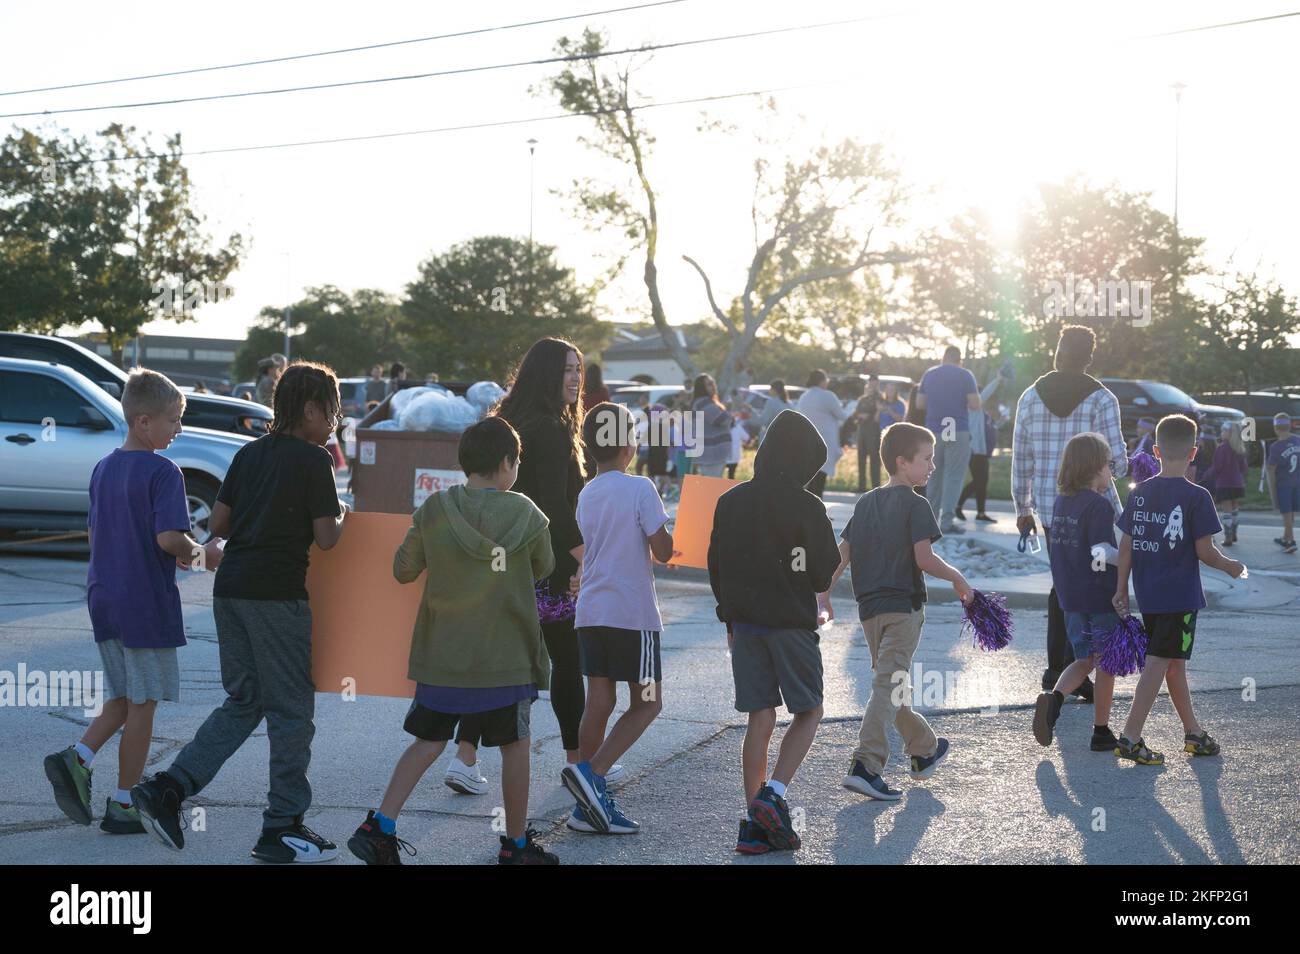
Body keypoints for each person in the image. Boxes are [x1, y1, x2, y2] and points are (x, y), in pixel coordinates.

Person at [132, 361, 348, 862]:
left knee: (245, 701)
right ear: (312, 409)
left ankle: (168, 788)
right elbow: (327, 538)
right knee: (292, 713)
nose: (335, 421)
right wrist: (340, 513)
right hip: (277, 596)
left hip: (230, 589)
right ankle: (282, 828)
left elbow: (221, 522)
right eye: (332, 410)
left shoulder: (249, 454)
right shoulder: (315, 461)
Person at [346, 417, 559, 865]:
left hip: (444, 653)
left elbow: (403, 570)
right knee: (515, 746)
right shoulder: (529, 516)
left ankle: (379, 826)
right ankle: (516, 845)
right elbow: (542, 568)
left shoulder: (435, 509)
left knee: (427, 741)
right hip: (507, 657)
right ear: (507, 463)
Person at [44, 370, 219, 836]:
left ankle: (79, 757)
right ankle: (123, 803)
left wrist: (167, 551)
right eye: (174, 420)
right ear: (144, 422)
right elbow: (168, 538)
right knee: (144, 704)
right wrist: (205, 554)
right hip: (145, 604)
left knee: (123, 696)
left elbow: (97, 532)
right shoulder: (164, 471)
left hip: (104, 596)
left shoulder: (104, 467)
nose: (178, 430)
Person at [450, 339, 606, 788]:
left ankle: (464, 757)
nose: (576, 378)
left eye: (578, 369)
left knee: (497, 661)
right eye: (566, 370)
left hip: (498, 561)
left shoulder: (505, 421)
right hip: (545, 564)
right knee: (566, 659)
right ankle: (579, 762)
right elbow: (556, 508)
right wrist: (583, 559)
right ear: (544, 374)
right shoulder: (552, 431)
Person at [708, 409, 839, 854]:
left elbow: (717, 566)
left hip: (743, 624)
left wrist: (728, 617)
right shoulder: (807, 505)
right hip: (790, 623)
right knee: (810, 710)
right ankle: (774, 795)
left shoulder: (730, 501)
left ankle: (754, 823)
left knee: (759, 716)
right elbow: (822, 575)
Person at [823, 422, 969, 800]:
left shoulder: (866, 502)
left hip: (869, 611)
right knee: (888, 684)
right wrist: (957, 578)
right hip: (903, 609)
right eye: (927, 459)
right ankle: (866, 765)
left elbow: (842, 554)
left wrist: (823, 593)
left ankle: (923, 749)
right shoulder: (916, 504)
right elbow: (924, 558)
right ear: (903, 463)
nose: (933, 466)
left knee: (891, 684)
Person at [561, 403, 674, 836]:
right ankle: (593, 777)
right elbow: (662, 551)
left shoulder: (587, 493)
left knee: (600, 703)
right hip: (634, 614)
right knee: (648, 702)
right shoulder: (641, 487)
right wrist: (672, 531)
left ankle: (584, 804)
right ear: (628, 444)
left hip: (592, 612)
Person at [1112, 414, 1246, 764]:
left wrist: (1121, 589)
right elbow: (1205, 551)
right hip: (1179, 597)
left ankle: (1194, 733)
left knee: (1173, 664)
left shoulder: (1139, 493)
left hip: (1149, 594)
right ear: (1194, 452)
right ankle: (1130, 736)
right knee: (1159, 662)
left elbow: (1125, 546)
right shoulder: (1197, 496)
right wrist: (1232, 567)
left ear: (1155, 450)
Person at [1012, 325, 1127, 701]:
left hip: (1050, 507)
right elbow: (1118, 463)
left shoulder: (1029, 397)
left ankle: (1057, 670)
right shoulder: (1101, 398)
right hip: (1095, 508)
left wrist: (1022, 508)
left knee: (1063, 579)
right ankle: (1082, 667)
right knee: (1094, 584)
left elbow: (1021, 459)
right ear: (1089, 358)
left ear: (1057, 352)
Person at [1032, 433, 1123, 752]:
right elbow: (1100, 552)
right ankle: (1101, 730)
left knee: (1085, 659)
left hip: (1070, 597)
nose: (1111, 472)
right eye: (1109, 465)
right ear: (1095, 467)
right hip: (1099, 596)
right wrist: (1128, 553)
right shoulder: (1099, 506)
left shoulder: (1062, 502)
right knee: (1108, 664)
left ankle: (1053, 699)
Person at [914, 346, 980, 534]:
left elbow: (920, 403)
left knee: (933, 475)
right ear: (959, 360)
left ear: (943, 358)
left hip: (934, 431)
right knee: (954, 476)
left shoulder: (929, 374)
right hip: (956, 429)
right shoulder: (965, 375)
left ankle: (931, 521)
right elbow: (975, 404)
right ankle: (947, 522)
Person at [955, 367, 1007, 522]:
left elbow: (992, 427)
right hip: (974, 450)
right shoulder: (972, 408)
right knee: (979, 480)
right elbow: (986, 393)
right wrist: (997, 379)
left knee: (982, 481)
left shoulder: (980, 413)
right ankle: (958, 505)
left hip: (981, 450)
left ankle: (981, 512)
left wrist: (1001, 422)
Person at [796, 369, 849, 498]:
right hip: (824, 441)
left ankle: (809, 511)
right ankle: (817, 512)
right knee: (819, 480)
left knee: (810, 480)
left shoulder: (804, 396)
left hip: (807, 441)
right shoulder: (827, 395)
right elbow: (842, 415)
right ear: (822, 381)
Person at [1206, 421, 1248, 546]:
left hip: (1224, 483)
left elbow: (1217, 467)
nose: (1221, 433)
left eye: (1223, 431)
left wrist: (1206, 475)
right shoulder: (1240, 448)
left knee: (1226, 511)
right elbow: (1244, 468)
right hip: (1237, 484)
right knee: (1235, 508)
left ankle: (1228, 536)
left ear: (1229, 433)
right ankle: (1234, 532)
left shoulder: (1221, 448)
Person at [1266, 413, 1300, 554]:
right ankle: (1285, 537)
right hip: (1297, 482)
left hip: (1284, 483)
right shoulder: (1298, 440)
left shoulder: (1276, 446)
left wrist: (1272, 487)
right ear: (1289, 425)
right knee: (1291, 512)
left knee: (1286, 512)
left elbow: (1271, 468)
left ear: (1275, 428)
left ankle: (1291, 541)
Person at [690, 373, 733, 478]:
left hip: (710, 453)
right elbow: (723, 420)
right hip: (711, 453)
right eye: (709, 384)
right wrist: (728, 409)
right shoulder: (704, 403)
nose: (713, 386)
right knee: (712, 488)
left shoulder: (703, 402)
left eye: (713, 383)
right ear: (702, 388)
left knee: (711, 487)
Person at [854, 377, 883, 493]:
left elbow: (879, 414)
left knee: (874, 460)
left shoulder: (880, 398)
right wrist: (860, 416)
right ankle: (861, 486)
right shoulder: (862, 399)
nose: (873, 386)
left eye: (875, 384)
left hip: (874, 431)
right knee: (861, 459)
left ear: (878, 384)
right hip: (862, 431)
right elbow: (855, 414)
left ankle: (876, 487)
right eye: (871, 383)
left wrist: (868, 416)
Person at [726, 410, 748, 480]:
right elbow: (747, 437)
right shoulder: (738, 427)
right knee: (731, 475)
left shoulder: (722, 428)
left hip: (723, 457)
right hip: (735, 457)